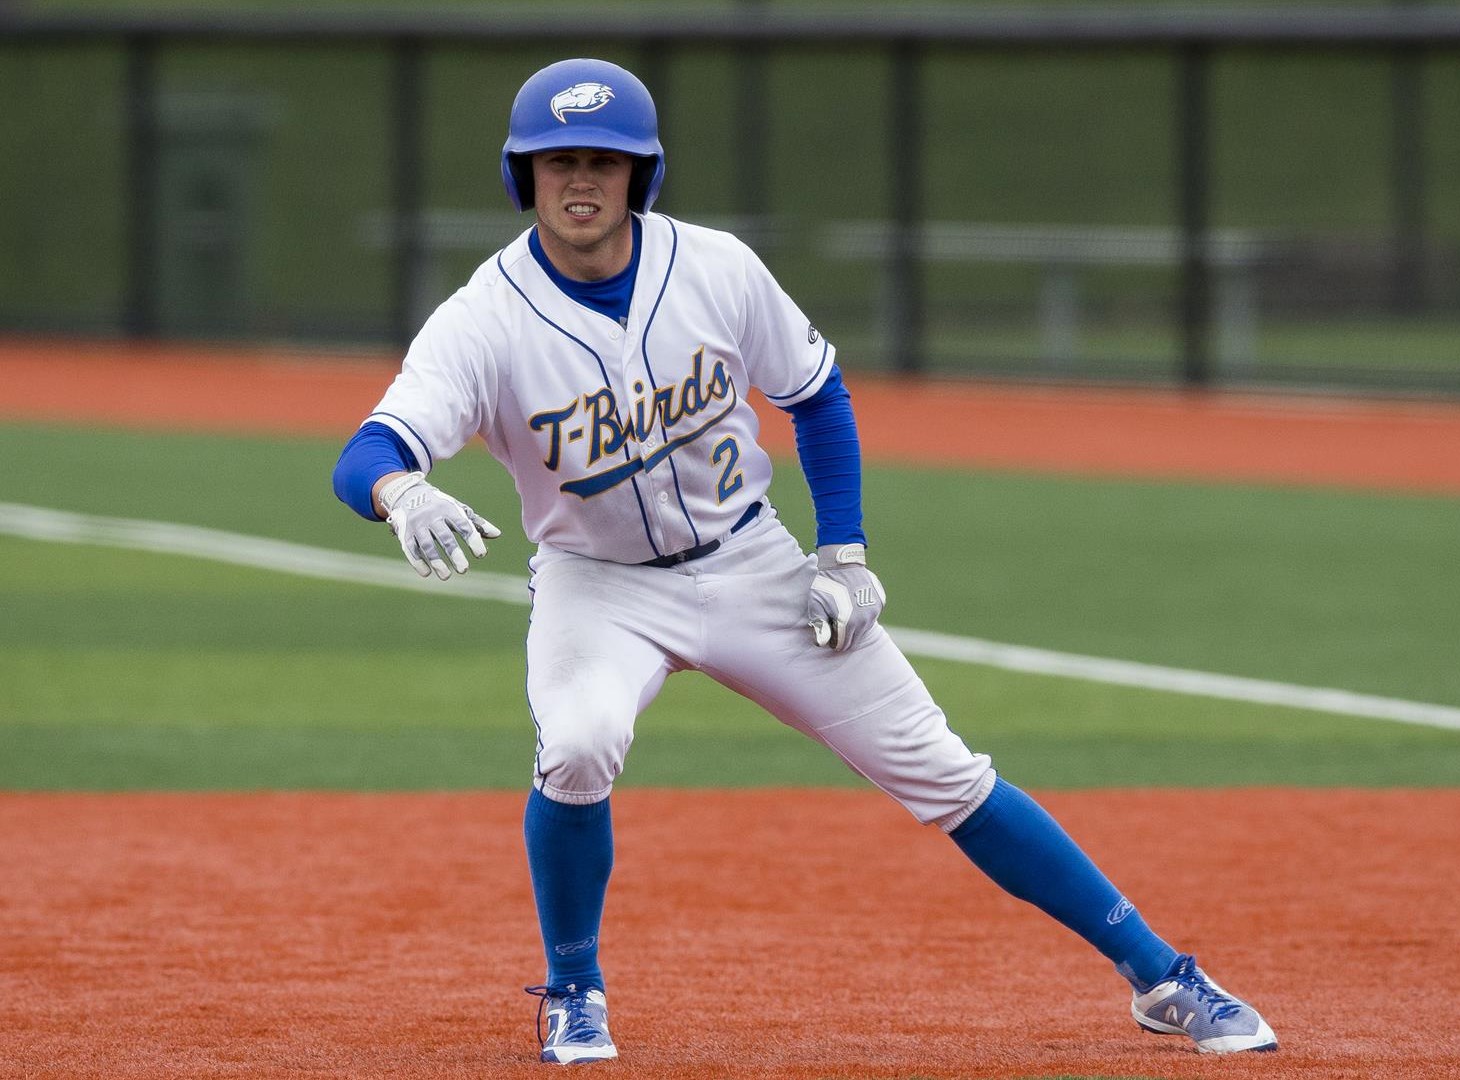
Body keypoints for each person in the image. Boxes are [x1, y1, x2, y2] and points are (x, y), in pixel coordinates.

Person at [332, 57, 1275, 1065]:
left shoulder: (718, 269)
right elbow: (367, 451)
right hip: (595, 587)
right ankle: (573, 992)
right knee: (578, 742)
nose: (581, 180)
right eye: (558, 160)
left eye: (605, 162)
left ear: (640, 174)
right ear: (524, 174)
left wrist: (845, 554)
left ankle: (1163, 975)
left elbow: (817, 395)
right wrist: (403, 489)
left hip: (751, 564)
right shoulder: (486, 317)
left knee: (946, 773)